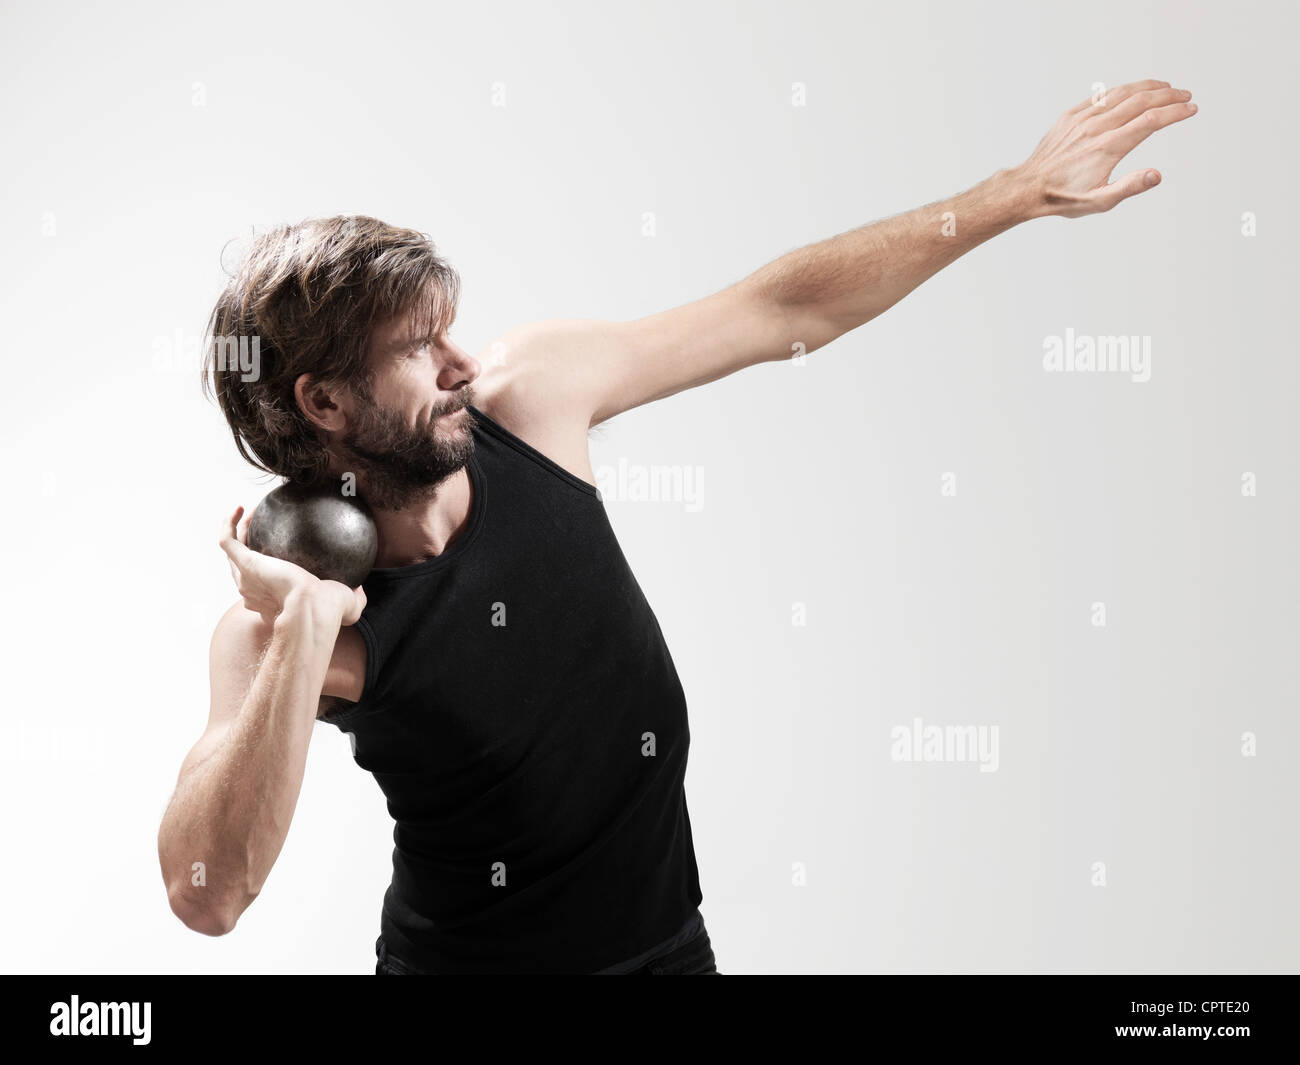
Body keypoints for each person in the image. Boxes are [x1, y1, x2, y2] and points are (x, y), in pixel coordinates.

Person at [157, 79, 1196, 974]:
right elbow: (208, 895)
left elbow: (779, 310)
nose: (461, 365)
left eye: (449, 332)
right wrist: (300, 632)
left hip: (667, 951)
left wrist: (1011, 195)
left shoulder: (532, 402)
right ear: (325, 405)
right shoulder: (281, 628)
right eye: (418, 350)